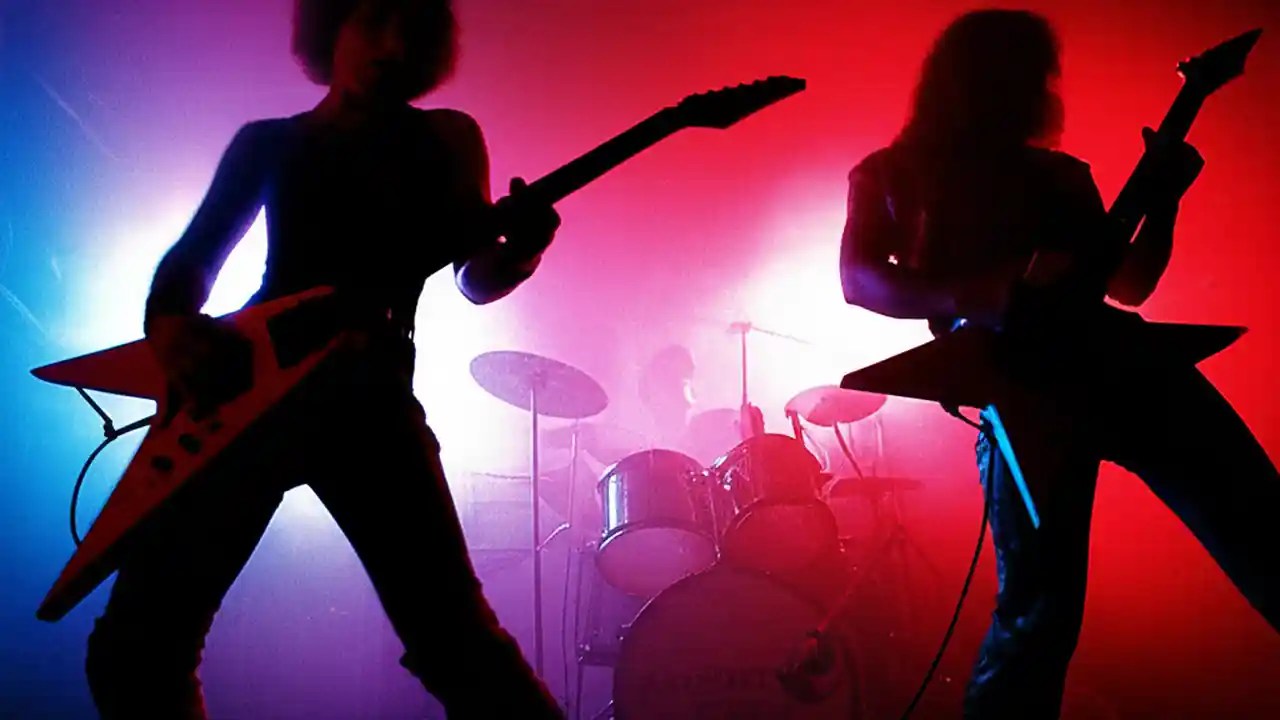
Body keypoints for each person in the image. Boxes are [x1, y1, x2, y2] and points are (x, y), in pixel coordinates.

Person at [83, 0, 565, 717]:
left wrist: (521, 253)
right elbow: (190, 264)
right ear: (329, 28)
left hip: (370, 404)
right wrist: (172, 329)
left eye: (409, 28)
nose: (393, 42)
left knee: (458, 644)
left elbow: (473, 276)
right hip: (250, 396)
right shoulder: (268, 145)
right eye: (373, 19)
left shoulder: (447, 138)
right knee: (137, 649)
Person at [839, 9, 1279, 719]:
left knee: (1263, 529)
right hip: (1021, 394)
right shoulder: (891, 175)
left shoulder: (1060, 175)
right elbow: (860, 280)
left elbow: (1125, 283)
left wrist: (1162, 202)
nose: (1042, 89)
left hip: (1121, 369)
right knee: (1039, 613)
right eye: (1028, 73)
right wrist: (983, 293)